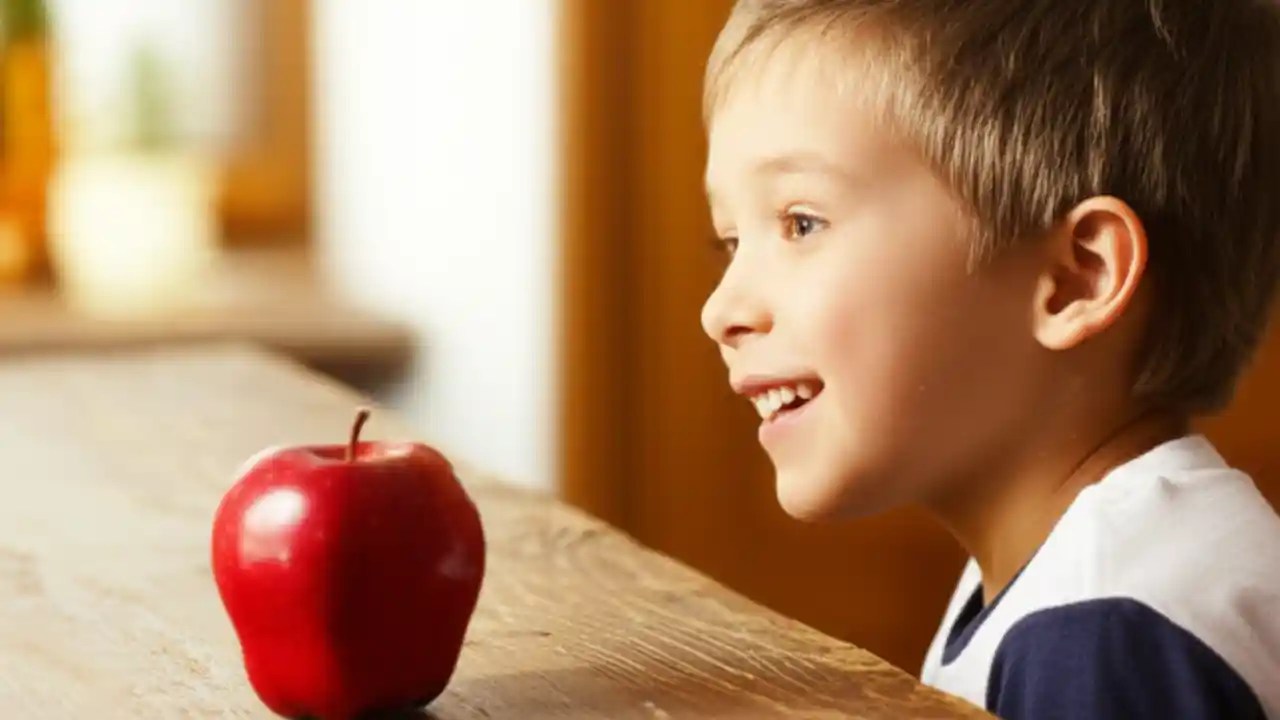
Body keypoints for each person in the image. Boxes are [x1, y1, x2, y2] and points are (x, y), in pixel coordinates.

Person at [698, 1, 1280, 717]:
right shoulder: (1088, 583)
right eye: (729, 241)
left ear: (1076, 279)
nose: (720, 310)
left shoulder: (1105, 635)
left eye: (800, 223)